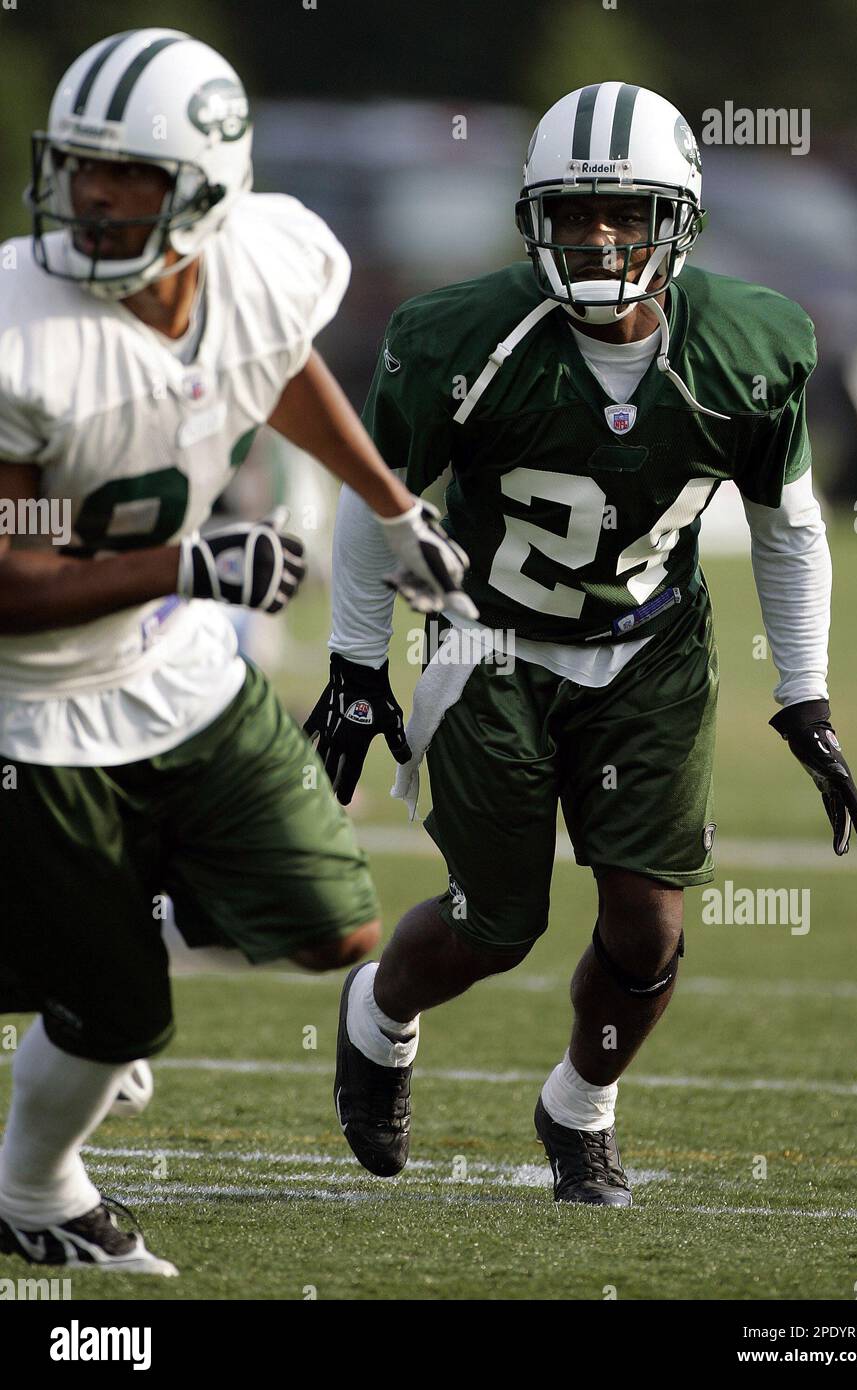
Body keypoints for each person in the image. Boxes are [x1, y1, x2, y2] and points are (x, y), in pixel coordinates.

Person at [308, 81, 857, 1207]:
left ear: (679, 219)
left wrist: (804, 691)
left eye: (624, 212)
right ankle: (378, 1015)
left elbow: (788, 528)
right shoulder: (457, 337)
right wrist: (356, 666)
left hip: (651, 646)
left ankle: (579, 1113)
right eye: (573, 213)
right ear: (533, 218)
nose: (598, 236)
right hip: (489, 645)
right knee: (495, 923)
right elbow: (377, 507)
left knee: (648, 924)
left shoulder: (754, 343)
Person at [0, 27, 470, 1275]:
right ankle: (38, 1194)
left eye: (131, 177)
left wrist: (388, 502)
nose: (93, 197)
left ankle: (74, 938)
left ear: (206, 190)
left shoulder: (269, 258)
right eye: (80, 168)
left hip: (174, 669)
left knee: (335, 929)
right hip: (30, 707)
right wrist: (192, 565)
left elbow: (273, 362)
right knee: (115, 1016)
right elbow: (3, 579)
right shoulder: (18, 330)